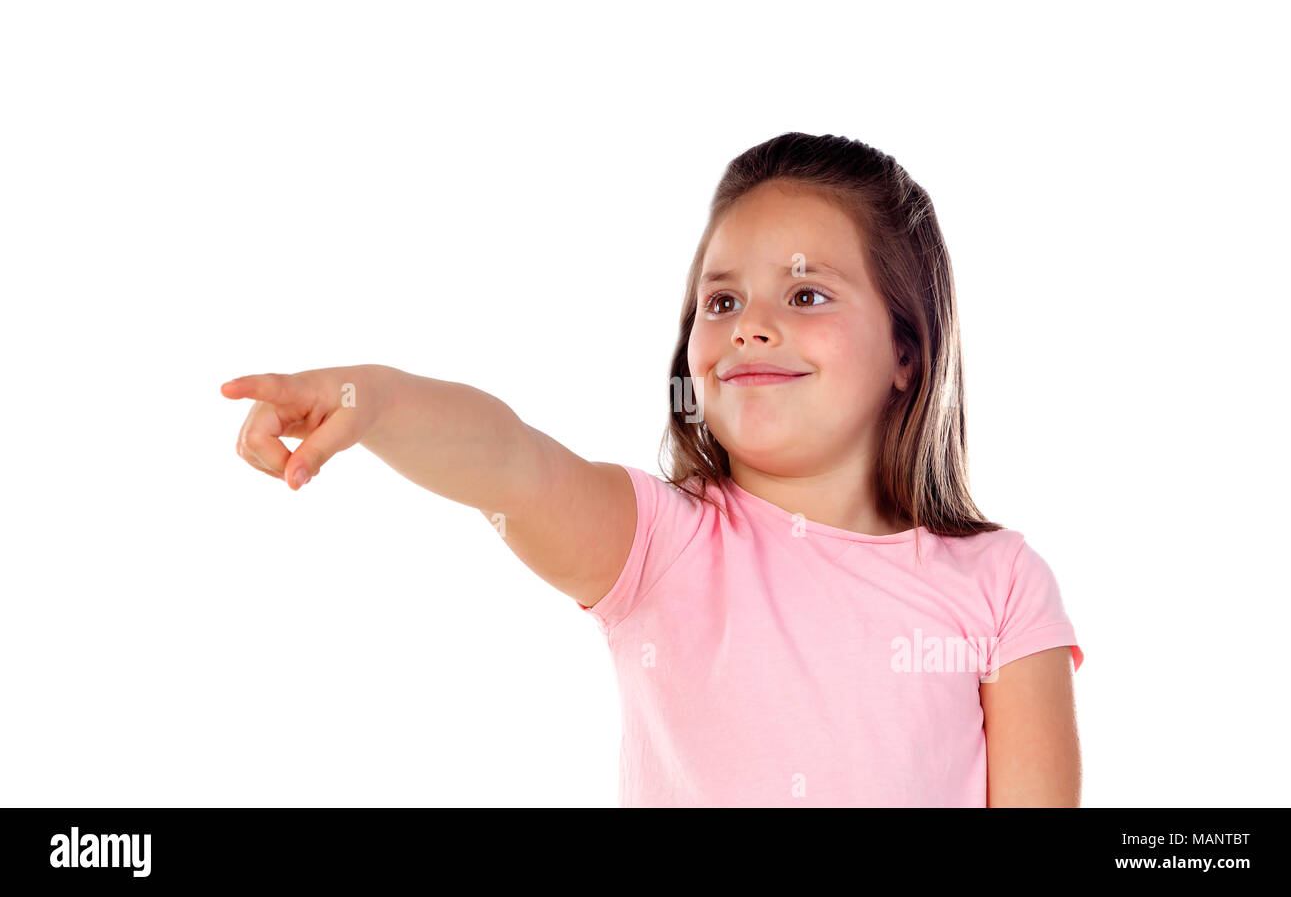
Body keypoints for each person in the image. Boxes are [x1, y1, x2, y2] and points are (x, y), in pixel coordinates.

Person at [221, 132, 1084, 808]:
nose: (750, 325)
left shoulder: (1002, 583)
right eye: (721, 300)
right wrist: (372, 401)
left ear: (906, 348)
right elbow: (512, 463)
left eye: (806, 293)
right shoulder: (665, 545)